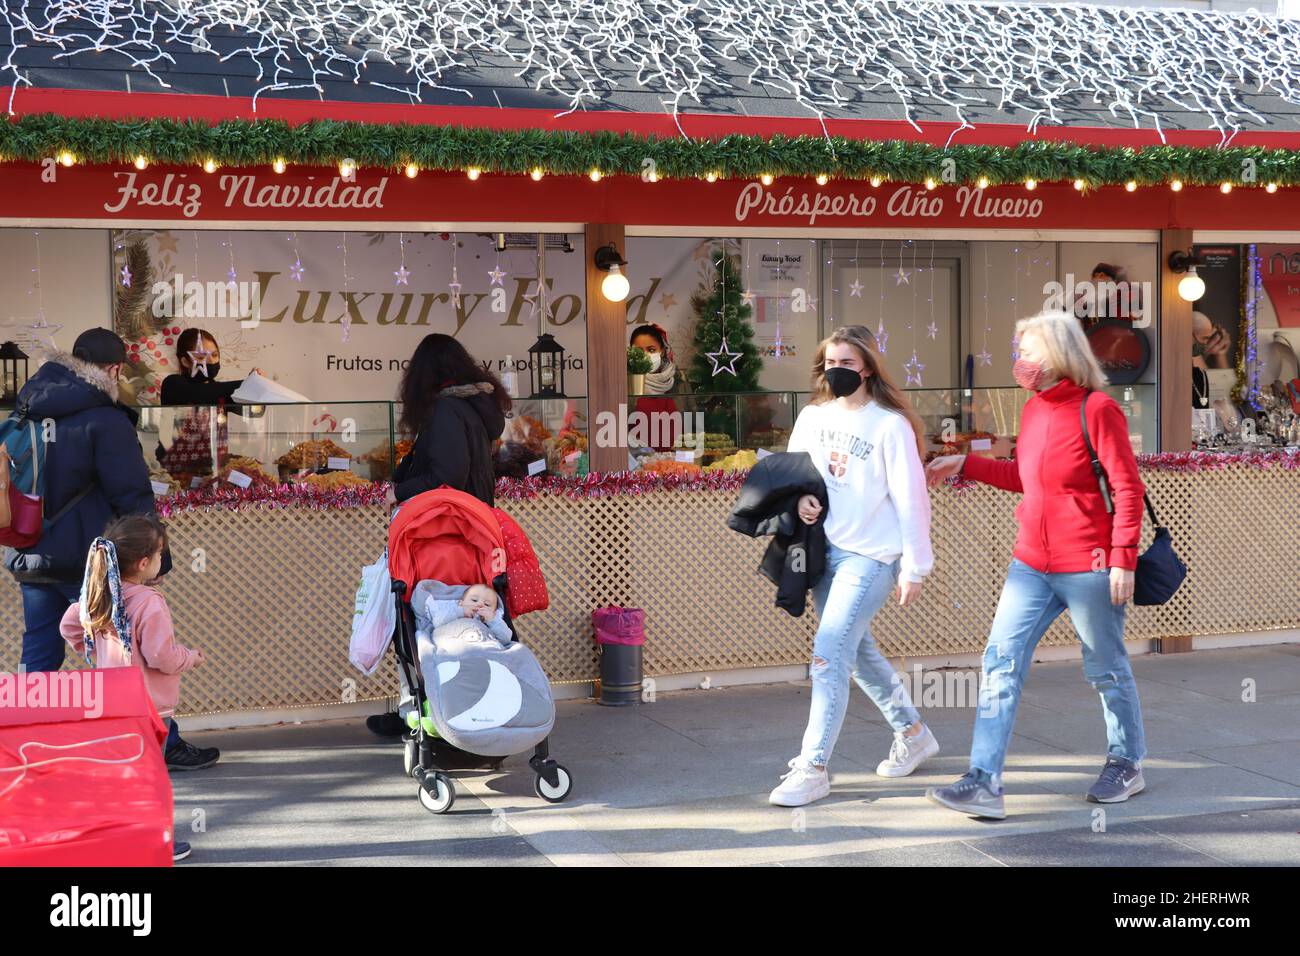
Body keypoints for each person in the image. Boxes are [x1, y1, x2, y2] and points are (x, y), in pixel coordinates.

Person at [925, 311, 1148, 820]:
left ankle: (1127, 761)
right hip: (1031, 564)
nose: (1019, 361)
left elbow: (1127, 488)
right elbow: (1025, 477)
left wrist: (1122, 560)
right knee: (999, 663)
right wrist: (965, 463)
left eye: (1027, 350)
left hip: (1088, 564)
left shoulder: (1099, 409)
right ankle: (983, 780)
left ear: (1058, 354)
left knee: (1106, 669)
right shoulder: (1035, 410)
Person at [768, 324, 938, 808]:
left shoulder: (889, 424)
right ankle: (915, 732)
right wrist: (801, 498)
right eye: (830, 363)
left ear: (867, 367)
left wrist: (915, 566)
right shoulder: (813, 416)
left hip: (872, 556)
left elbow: (911, 499)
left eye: (847, 363)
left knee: (828, 655)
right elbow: (796, 472)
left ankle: (813, 767)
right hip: (825, 550)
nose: (837, 371)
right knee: (855, 652)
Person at [369, 333, 510, 737]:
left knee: (428, 620)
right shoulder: (473, 408)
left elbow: (446, 476)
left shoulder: (447, 410)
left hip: (444, 533)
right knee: (469, 623)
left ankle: (421, 709)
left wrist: (400, 490)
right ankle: (458, 704)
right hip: (470, 533)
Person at [5, 328, 170, 673]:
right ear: (113, 370)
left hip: (32, 550)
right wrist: (156, 555)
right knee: (116, 656)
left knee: (38, 655)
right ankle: (145, 730)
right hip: (89, 559)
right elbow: (131, 493)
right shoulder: (107, 420)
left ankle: (30, 726)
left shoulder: (29, 407)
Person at [58, 515, 211, 862]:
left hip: (112, 702)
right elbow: (162, 656)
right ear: (145, 563)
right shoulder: (149, 601)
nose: (161, 561)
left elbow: (69, 625)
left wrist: (93, 650)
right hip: (149, 709)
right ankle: (153, 841)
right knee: (150, 777)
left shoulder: (100, 594)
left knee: (122, 774)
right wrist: (191, 657)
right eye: (160, 554)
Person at [159, 328, 261, 406]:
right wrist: (247, 384)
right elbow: (199, 394)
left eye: (215, 355)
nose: (211, 361)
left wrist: (255, 385)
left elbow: (254, 413)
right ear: (185, 361)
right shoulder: (172, 384)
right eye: (201, 357)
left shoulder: (221, 391)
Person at [630, 324, 688, 451]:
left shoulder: (679, 383)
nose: (645, 355)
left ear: (661, 351)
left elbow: (692, 427)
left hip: (678, 463)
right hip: (638, 465)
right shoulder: (624, 385)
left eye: (651, 350)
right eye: (639, 351)